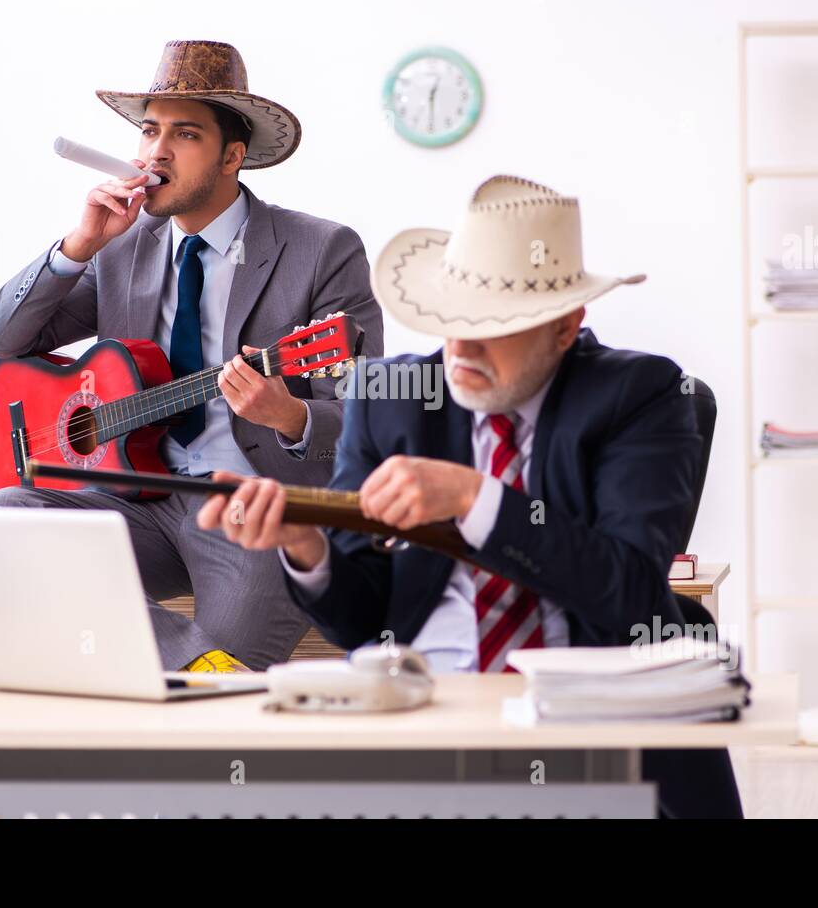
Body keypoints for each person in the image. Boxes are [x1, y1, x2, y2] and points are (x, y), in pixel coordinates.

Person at [197, 175, 742, 816]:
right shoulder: (389, 399)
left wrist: (474, 498)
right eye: (450, 317)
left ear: (566, 326)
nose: (461, 348)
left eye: (492, 325)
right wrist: (307, 548)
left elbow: (629, 593)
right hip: (428, 715)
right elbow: (360, 620)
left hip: (589, 717)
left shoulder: (643, 395)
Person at [0, 40, 383, 673]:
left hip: (252, 507)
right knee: (4, 516)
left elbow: (366, 414)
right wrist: (76, 246)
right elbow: (2, 339)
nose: (156, 151)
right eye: (149, 130)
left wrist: (291, 418)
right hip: (137, 499)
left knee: (218, 670)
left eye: (185, 133)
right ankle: (171, 664)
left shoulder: (323, 249)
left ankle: (161, 665)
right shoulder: (120, 246)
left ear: (233, 156)